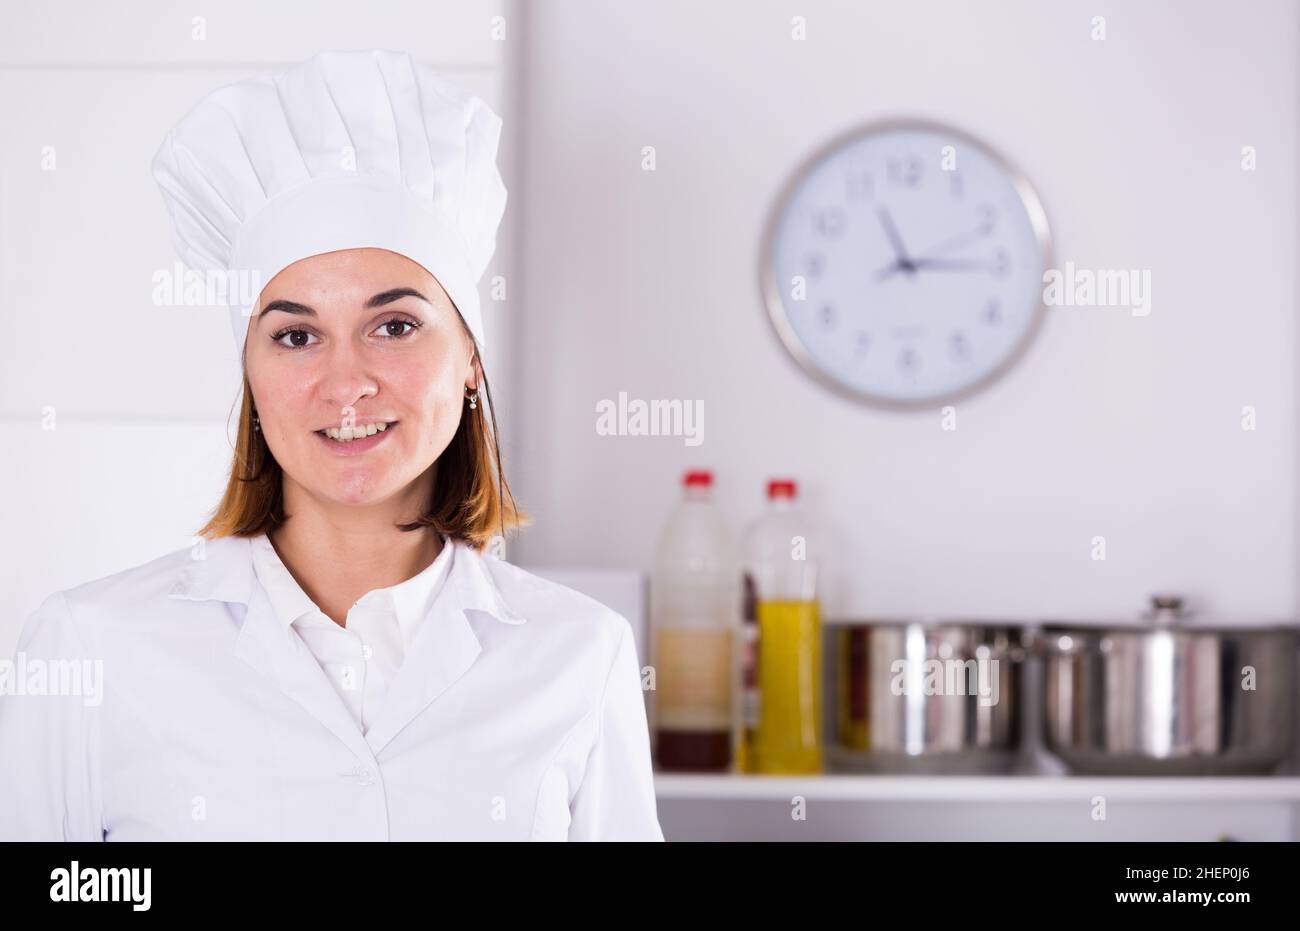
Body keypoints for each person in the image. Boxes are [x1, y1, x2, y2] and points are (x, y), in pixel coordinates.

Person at [0, 49, 663, 842]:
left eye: (394, 325)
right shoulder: (90, 648)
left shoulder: (579, 655)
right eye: (296, 334)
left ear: (471, 359)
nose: (346, 382)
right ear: (251, 373)